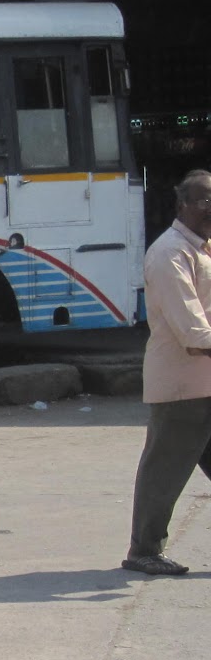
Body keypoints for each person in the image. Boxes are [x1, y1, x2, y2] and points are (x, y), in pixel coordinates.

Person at [125, 168, 211, 575]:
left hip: (205, 381)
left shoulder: (203, 249)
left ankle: (145, 548)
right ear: (183, 205)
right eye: (204, 201)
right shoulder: (170, 253)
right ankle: (143, 550)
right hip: (183, 386)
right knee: (164, 469)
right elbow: (192, 330)